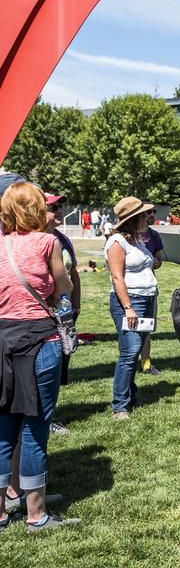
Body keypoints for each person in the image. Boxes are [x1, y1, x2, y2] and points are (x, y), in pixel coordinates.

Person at [0, 181, 80, 531]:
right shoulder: (49, 242)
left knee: (3, 429)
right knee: (34, 428)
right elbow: (64, 288)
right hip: (39, 340)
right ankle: (35, 514)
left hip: (3, 340)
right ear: (36, 208)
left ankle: (3, 511)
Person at [104, 197, 158, 420]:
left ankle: (130, 394)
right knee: (130, 351)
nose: (148, 217)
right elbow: (117, 277)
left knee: (134, 349)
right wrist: (128, 307)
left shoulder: (137, 240)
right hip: (130, 301)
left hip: (146, 297)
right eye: (144, 214)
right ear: (134, 218)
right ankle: (120, 405)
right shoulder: (117, 242)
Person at [44, 194, 81, 436]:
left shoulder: (62, 239)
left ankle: (49, 415)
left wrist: (75, 306)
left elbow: (73, 273)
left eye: (60, 206)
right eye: (53, 207)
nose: (59, 210)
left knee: (57, 367)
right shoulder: (34, 240)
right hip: (41, 315)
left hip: (64, 315)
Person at [139, 214, 165, 376]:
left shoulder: (154, 235)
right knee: (129, 328)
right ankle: (128, 361)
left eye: (153, 211)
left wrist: (157, 262)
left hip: (149, 287)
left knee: (146, 326)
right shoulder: (126, 236)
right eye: (148, 211)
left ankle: (146, 363)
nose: (152, 215)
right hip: (131, 290)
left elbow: (159, 259)